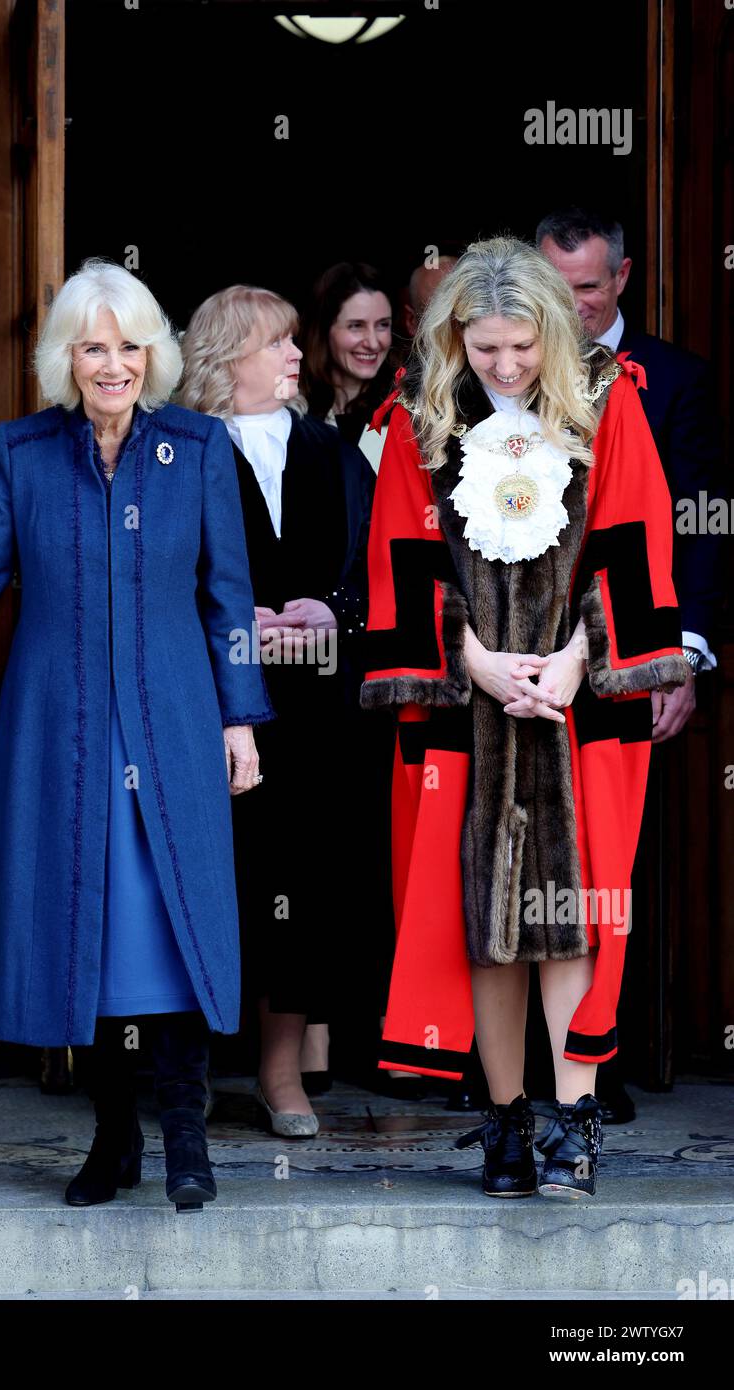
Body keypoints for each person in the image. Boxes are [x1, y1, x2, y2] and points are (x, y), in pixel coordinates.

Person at [0, 258, 275, 1212]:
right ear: (66, 358)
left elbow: (227, 601)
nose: (112, 364)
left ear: (153, 356)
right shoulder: (21, 452)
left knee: (171, 935)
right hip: (62, 731)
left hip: (171, 724)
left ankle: (186, 1138)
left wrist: (240, 719)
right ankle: (112, 1136)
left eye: (129, 346)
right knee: (86, 933)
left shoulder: (200, 449)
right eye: (93, 346)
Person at [361, 236, 688, 1198]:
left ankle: (574, 1124)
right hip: (466, 707)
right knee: (483, 922)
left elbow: (634, 542)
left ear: (551, 326)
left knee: (576, 919)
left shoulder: (609, 398)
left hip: (580, 706)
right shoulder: (422, 414)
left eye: (520, 346)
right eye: (483, 345)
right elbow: (399, 562)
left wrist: (577, 661)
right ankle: (505, 1122)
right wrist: (476, 663)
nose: (503, 366)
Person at [179, 285, 390, 1134]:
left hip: (314, 717)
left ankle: (280, 1076)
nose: (297, 357)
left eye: (295, 343)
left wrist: (330, 614)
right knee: (205, 884)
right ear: (226, 356)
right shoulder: (177, 450)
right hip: (204, 709)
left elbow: (375, 570)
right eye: (276, 344)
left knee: (302, 888)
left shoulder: (334, 453)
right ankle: (184, 1069)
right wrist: (228, 628)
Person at [536, 206, 726, 1121]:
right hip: (525, 666)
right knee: (527, 861)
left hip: (629, 658)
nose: (566, 309)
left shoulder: (674, 377)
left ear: (619, 280)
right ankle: (523, 1074)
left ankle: (605, 1062)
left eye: (583, 288)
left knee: (614, 865)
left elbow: (696, 522)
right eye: (552, 287)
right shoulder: (509, 366)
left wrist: (680, 654)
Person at [300, 261, 397, 473]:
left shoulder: (407, 409)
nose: (372, 342)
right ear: (324, 329)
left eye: (383, 325)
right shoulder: (293, 408)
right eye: (356, 326)